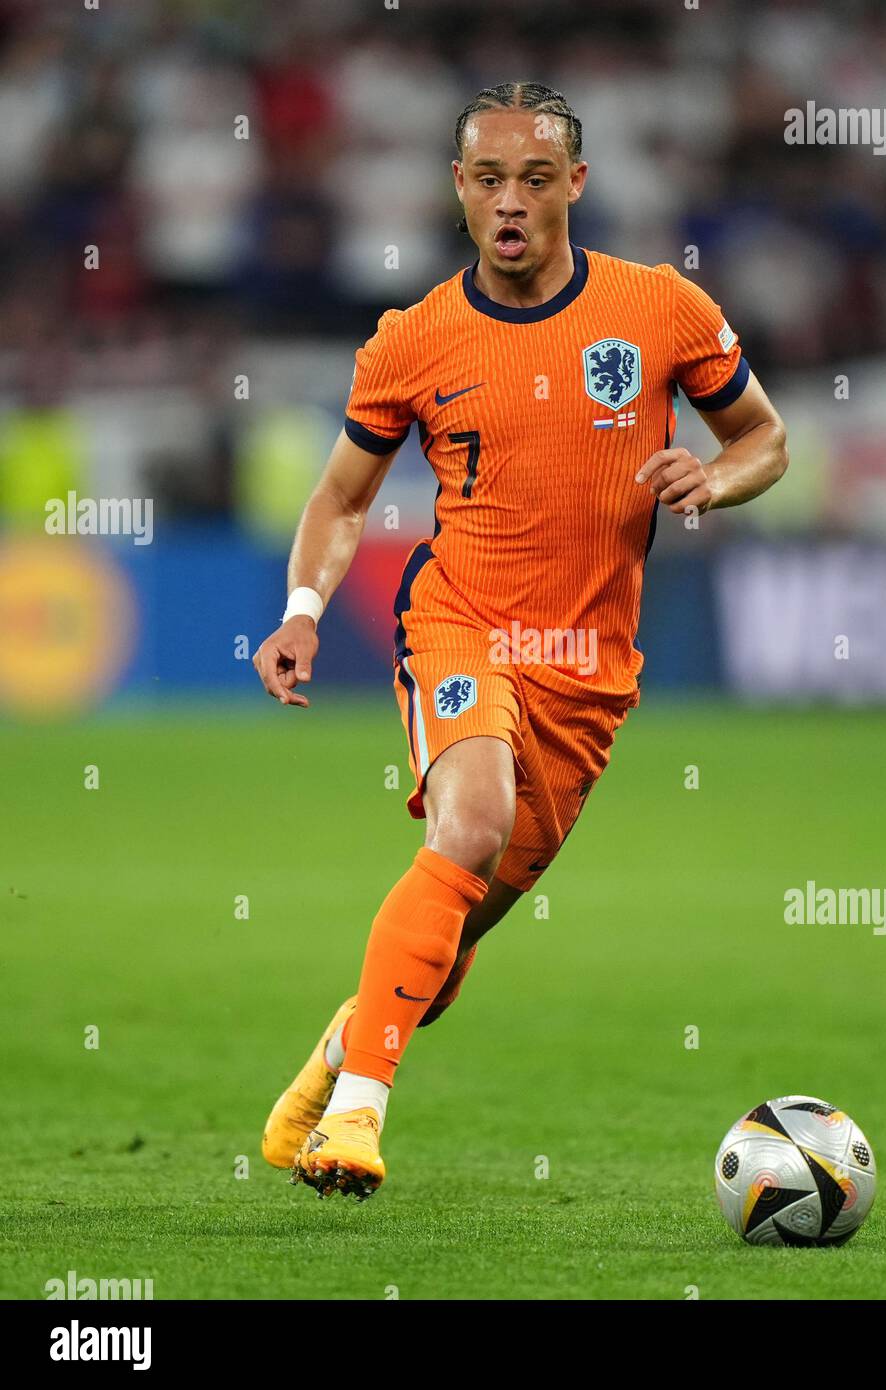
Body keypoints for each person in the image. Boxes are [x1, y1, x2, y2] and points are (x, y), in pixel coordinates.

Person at [252, 83, 788, 1201]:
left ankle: (339, 1052)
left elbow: (764, 439)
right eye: (488, 179)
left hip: (590, 673)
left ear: (575, 187)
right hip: (461, 622)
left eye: (535, 180)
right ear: (458, 189)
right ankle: (358, 1117)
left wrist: (716, 478)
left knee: (457, 913)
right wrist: (302, 611)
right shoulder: (412, 341)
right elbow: (343, 499)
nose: (511, 202)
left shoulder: (661, 310)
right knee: (473, 822)